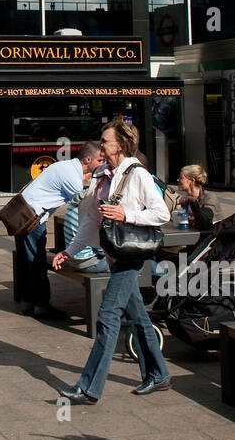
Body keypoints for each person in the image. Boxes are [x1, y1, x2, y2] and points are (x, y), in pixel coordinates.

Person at [54, 120, 172, 402]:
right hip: (112, 254)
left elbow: (161, 214)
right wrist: (69, 251)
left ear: (120, 145)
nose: (102, 144)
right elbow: (92, 219)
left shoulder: (138, 174)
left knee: (107, 317)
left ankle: (89, 387)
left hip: (130, 254)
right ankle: (159, 374)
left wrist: (126, 215)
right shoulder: (104, 175)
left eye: (105, 141)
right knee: (138, 316)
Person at [16, 141, 103, 318]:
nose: (101, 164)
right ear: (88, 159)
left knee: (25, 259)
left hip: (22, 213)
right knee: (36, 261)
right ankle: (41, 305)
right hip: (34, 217)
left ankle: (27, 303)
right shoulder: (72, 175)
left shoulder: (65, 166)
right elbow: (85, 206)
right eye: (100, 160)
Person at [175, 164, 219, 231]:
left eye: (181, 178)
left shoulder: (209, 197)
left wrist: (192, 202)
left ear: (192, 181)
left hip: (212, 236)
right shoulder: (187, 200)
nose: (178, 180)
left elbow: (205, 221)